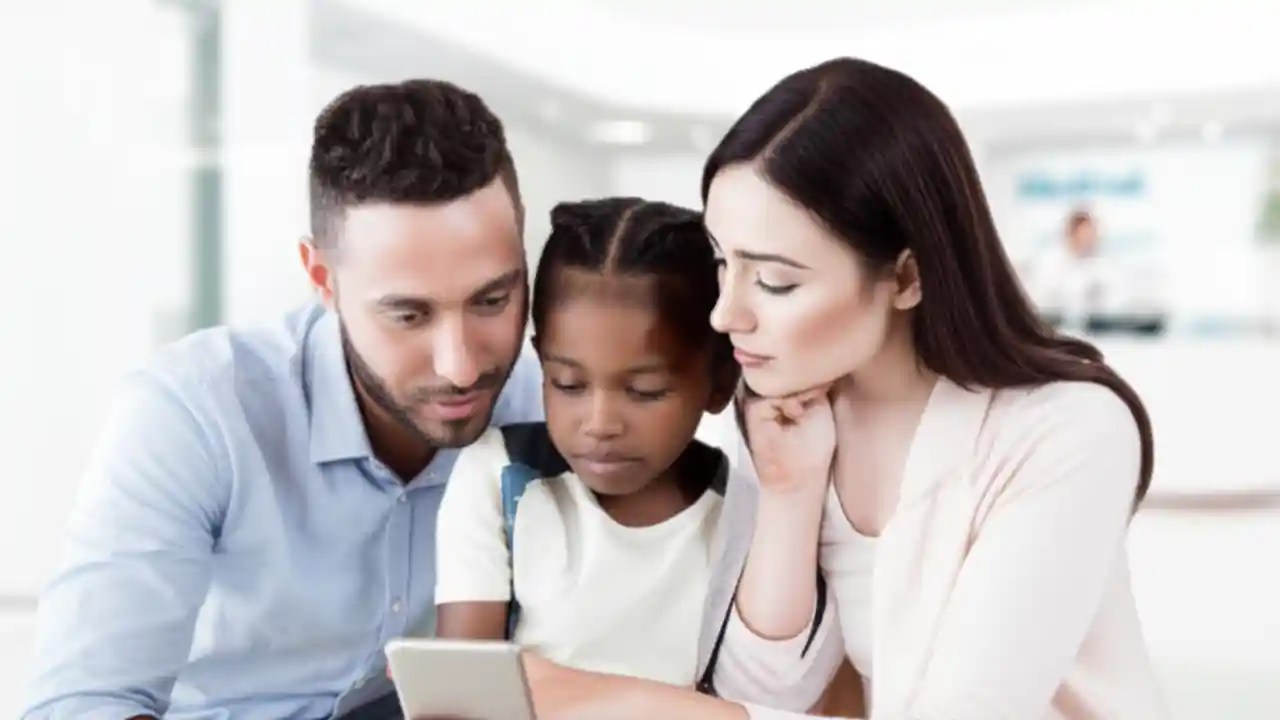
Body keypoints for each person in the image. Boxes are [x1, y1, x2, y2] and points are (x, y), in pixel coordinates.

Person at [520, 57, 1170, 720]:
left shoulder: (1066, 432)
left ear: (907, 276)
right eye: (723, 262)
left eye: (775, 281)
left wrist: (606, 700)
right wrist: (790, 492)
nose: (726, 314)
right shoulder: (788, 403)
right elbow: (763, 690)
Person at [22, 79, 542, 720]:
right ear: (323, 279)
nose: (460, 366)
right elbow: (79, 705)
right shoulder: (197, 412)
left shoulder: (555, 410)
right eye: (407, 315)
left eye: (491, 300)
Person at [432, 198, 739, 686]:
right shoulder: (500, 474)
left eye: (644, 392)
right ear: (541, 362)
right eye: (568, 384)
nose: (599, 423)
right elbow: (463, 694)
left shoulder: (744, 516)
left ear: (720, 382)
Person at [1025, 208, 1126, 331]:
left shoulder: (1105, 264)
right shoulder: (1050, 263)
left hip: (1097, 330)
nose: (1088, 240)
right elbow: (1042, 298)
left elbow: (1117, 298)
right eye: (1083, 235)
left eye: (1091, 235)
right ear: (1071, 234)